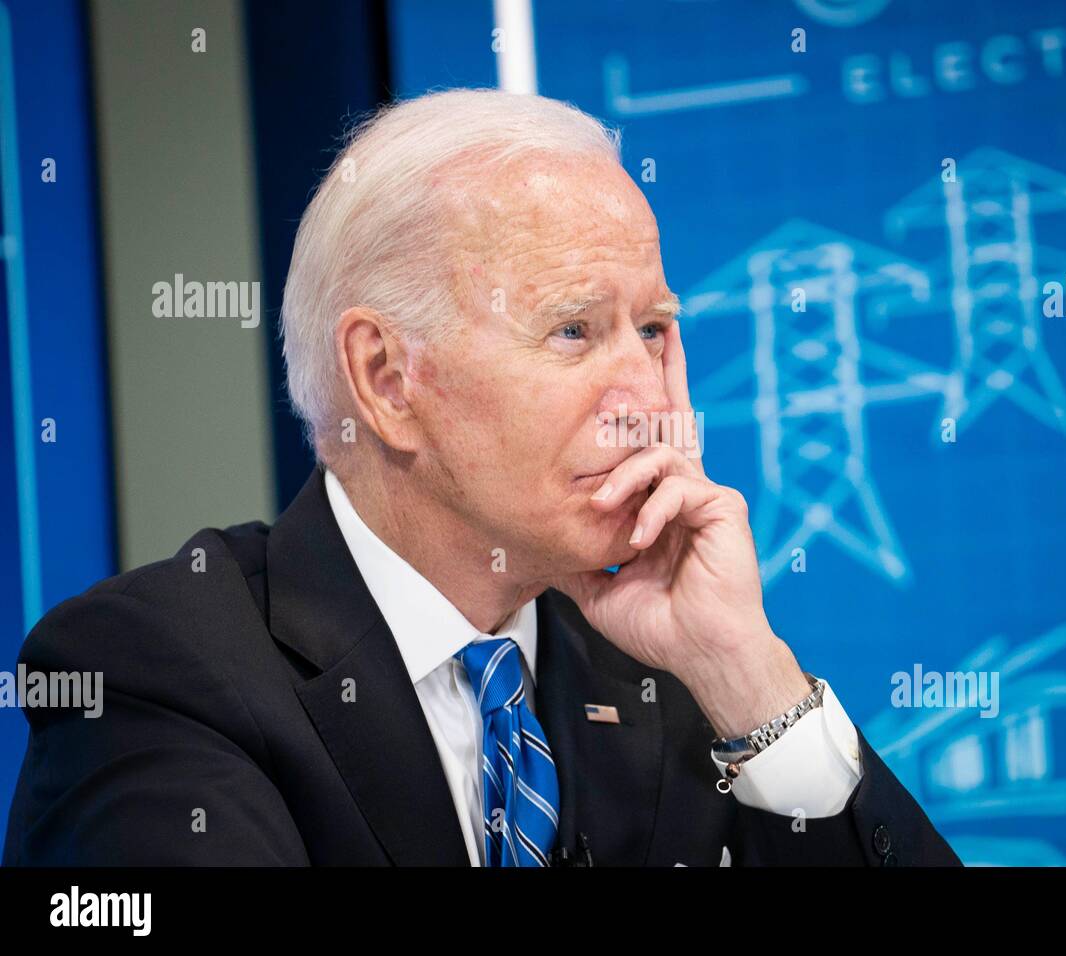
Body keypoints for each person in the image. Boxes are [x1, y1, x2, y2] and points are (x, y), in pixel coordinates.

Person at [4, 89, 959, 867]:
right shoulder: (160, 671)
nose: (648, 395)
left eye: (657, 330)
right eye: (574, 330)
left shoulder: (670, 671)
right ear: (387, 381)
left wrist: (749, 682)